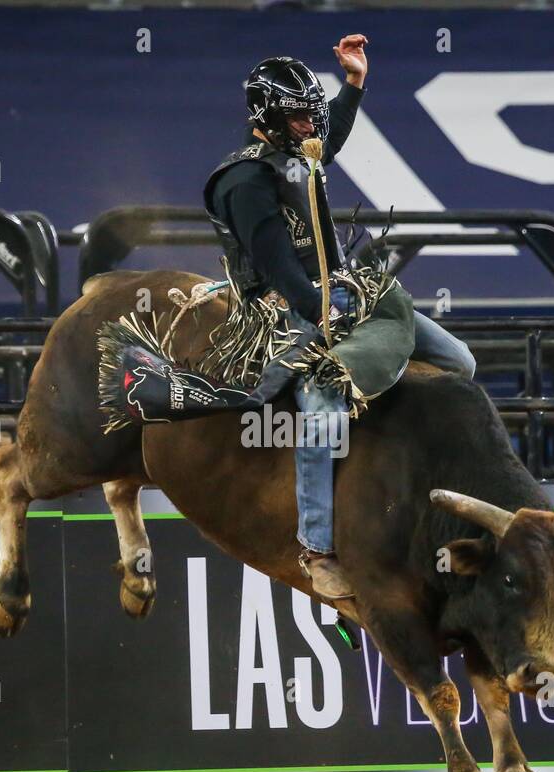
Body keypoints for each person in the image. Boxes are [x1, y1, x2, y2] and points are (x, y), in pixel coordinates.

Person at [204, 38, 476, 601]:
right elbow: (277, 264)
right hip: (284, 312)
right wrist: (322, 313)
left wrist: (352, 85)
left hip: (345, 291)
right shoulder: (243, 182)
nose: (312, 127)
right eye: (301, 117)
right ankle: (317, 547)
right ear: (267, 118)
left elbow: (329, 140)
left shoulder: (298, 151)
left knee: (458, 360)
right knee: (322, 409)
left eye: (313, 116)